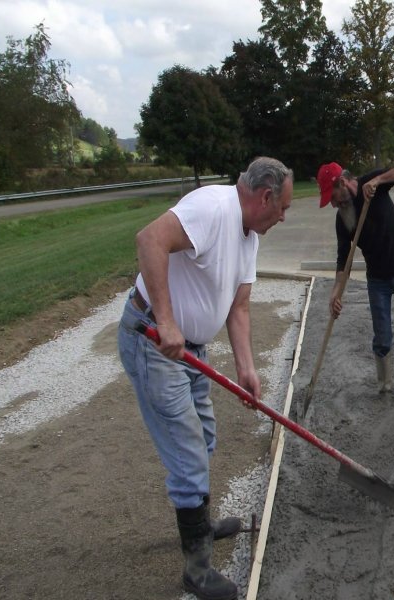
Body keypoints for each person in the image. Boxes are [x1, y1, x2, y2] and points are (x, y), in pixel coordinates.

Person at [118, 157, 293, 600]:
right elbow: (149, 240)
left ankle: (198, 519)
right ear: (266, 197)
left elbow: (239, 307)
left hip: (190, 351)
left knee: (205, 437)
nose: (284, 217)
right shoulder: (213, 208)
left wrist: (248, 368)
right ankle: (197, 571)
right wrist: (167, 319)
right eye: (283, 209)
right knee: (188, 454)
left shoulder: (249, 236)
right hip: (155, 342)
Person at [316, 161, 394, 393]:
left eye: (332, 197)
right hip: (377, 281)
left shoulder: (372, 184)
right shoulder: (344, 217)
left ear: (342, 182)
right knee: (382, 338)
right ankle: (385, 386)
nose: (332, 204)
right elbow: (344, 258)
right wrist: (336, 290)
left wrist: (379, 180)